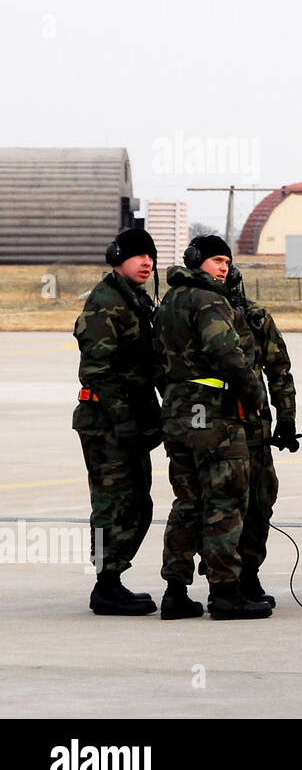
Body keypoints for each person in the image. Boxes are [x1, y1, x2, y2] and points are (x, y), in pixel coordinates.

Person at [155, 235, 271, 620]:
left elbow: (156, 359)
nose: (224, 268)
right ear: (196, 261)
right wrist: (255, 395)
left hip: (177, 411)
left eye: (226, 262)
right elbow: (226, 353)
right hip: (214, 414)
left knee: (187, 502)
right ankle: (225, 592)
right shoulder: (210, 300)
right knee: (225, 500)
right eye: (216, 260)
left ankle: (175, 591)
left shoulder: (169, 301)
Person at [73, 228, 164, 615]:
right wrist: (124, 419)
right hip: (105, 421)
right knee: (112, 504)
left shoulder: (137, 301)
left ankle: (111, 577)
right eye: (138, 256)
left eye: (151, 256)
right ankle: (105, 584)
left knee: (138, 503)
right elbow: (97, 371)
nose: (146, 263)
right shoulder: (106, 302)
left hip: (129, 419)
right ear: (117, 258)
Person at [224, 263, 299, 608]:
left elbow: (279, 369)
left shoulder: (256, 317)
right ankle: (220, 578)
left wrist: (287, 419)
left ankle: (248, 572)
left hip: (254, 427)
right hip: (215, 429)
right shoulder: (192, 312)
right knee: (217, 505)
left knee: (260, 500)